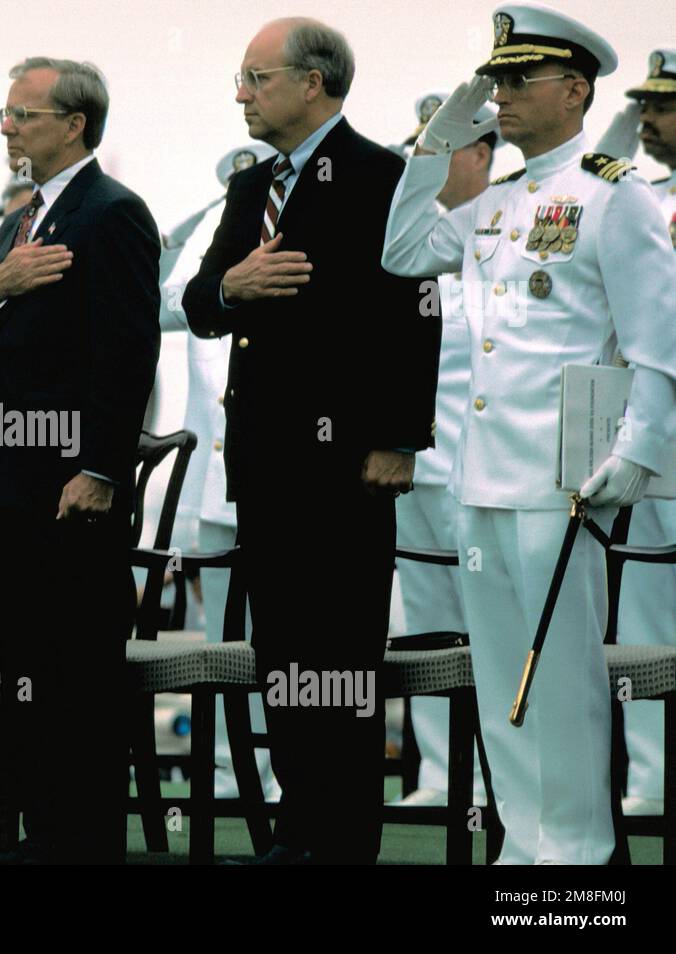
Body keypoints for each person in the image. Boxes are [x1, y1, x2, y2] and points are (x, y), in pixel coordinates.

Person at [382, 5, 676, 864]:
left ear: (575, 90)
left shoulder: (611, 195)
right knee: (503, 672)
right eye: (495, 81)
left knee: (562, 676)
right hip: (481, 475)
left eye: (518, 80)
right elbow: (400, 248)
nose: (500, 96)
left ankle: (580, 855)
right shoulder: (497, 203)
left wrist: (638, 451)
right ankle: (523, 846)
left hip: (565, 477)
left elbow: (658, 345)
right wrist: (438, 137)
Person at [183, 18, 439, 864]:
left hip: (347, 466)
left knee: (340, 656)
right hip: (266, 461)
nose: (241, 94)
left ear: (314, 83)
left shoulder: (382, 175)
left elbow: (416, 310)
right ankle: (302, 831)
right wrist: (233, 282)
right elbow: (196, 303)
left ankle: (340, 840)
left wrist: (400, 439)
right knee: (285, 653)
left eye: (257, 77)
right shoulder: (251, 185)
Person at [0, 57, 160, 865]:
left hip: (74, 485)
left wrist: (102, 468)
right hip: (11, 479)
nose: (8, 129)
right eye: (4, 116)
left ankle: (85, 840)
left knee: (78, 666)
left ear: (73, 123)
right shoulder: (20, 222)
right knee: (29, 661)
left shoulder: (113, 214)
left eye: (22, 116)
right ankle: (41, 831)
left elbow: (128, 350)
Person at [161, 142, 281, 803]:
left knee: (279, 640)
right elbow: (152, 302)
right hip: (212, 491)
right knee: (220, 644)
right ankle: (229, 769)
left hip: (273, 478)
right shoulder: (208, 272)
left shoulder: (292, 258)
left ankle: (273, 776)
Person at [390, 93, 500, 809]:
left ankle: (496, 779)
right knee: (424, 625)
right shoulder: (415, 236)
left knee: (489, 627)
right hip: (413, 465)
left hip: (481, 469)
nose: (422, 162)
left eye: (444, 147)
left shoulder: (504, 225)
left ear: (483, 152)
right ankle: (438, 774)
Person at [593, 47, 676, 818]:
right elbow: (591, 173)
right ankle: (651, 778)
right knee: (645, 611)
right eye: (643, 105)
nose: (647, 120)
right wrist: (626, 125)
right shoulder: (639, 196)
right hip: (653, 431)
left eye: (662, 106)